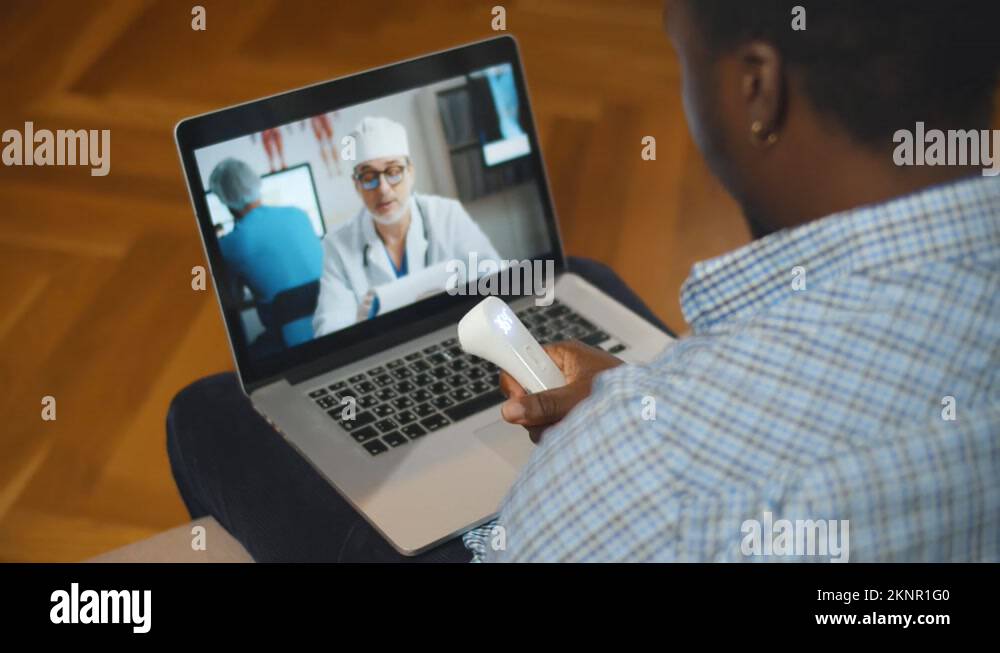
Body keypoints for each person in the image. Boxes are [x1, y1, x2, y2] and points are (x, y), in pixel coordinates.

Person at [170, 0, 999, 562]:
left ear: (756, 86)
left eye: (679, 44)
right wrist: (641, 389)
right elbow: (353, 315)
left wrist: (629, 422)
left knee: (204, 412)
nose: (382, 188)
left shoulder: (647, 475)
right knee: (585, 279)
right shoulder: (346, 240)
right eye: (368, 178)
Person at [312, 116, 501, 336]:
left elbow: (497, 280)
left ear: (410, 172)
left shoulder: (447, 214)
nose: (383, 189)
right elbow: (330, 334)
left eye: (393, 172)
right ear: (357, 185)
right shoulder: (337, 247)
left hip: (462, 333)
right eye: (368, 176)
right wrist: (361, 323)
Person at [210, 158, 323, 349]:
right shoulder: (298, 214)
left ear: (223, 199)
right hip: (334, 324)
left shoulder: (230, 244)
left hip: (293, 346)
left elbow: (231, 299)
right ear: (256, 183)